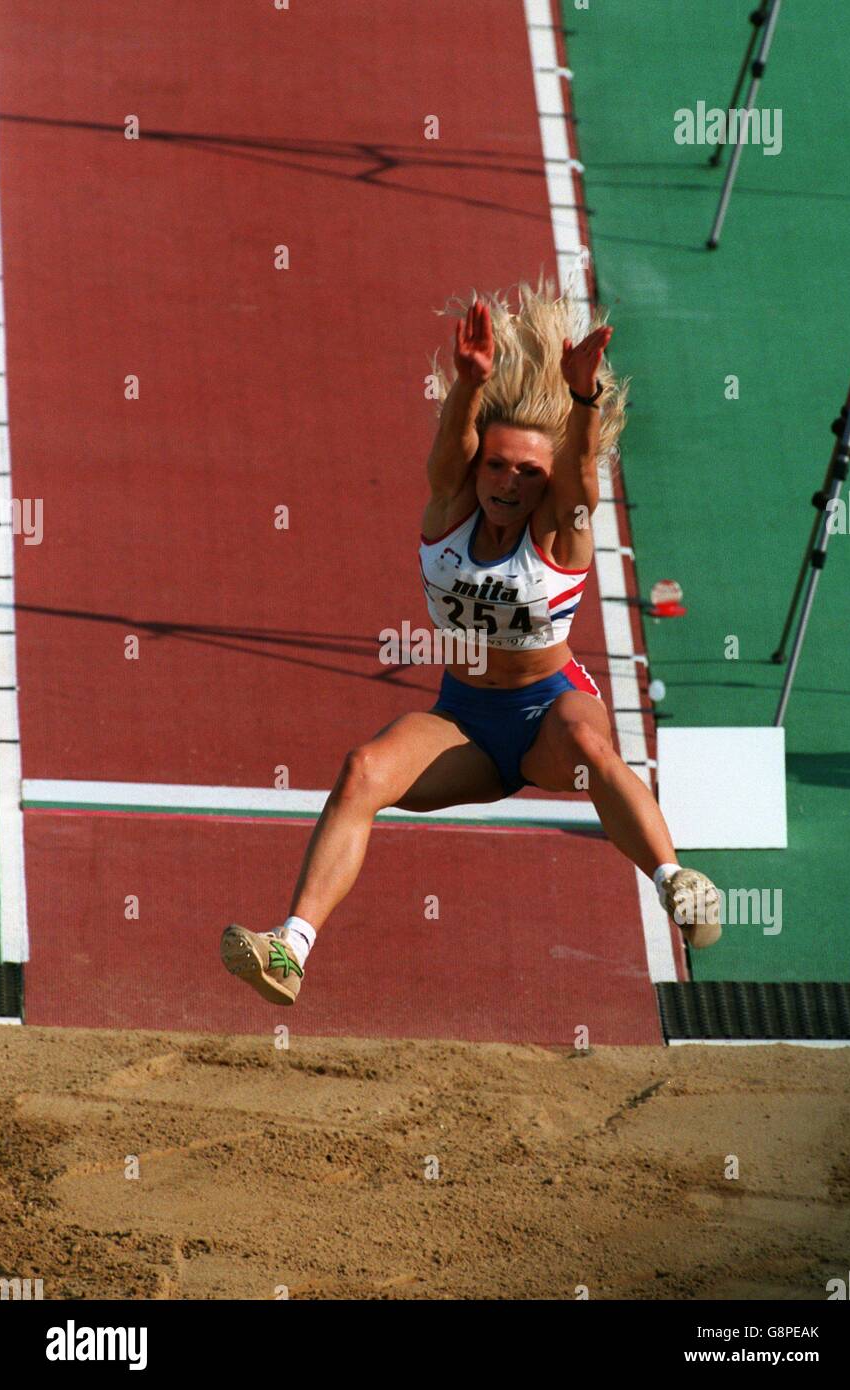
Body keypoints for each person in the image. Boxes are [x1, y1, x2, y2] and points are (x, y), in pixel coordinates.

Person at [221, 278, 721, 1006]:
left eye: (528, 472)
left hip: (550, 711)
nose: (509, 482)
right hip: (463, 724)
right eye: (496, 464)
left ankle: (677, 884)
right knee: (362, 768)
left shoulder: (558, 530)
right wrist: (467, 385)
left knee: (589, 747)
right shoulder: (447, 509)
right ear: (476, 466)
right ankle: (290, 948)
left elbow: (580, 474)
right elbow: (449, 448)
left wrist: (581, 403)